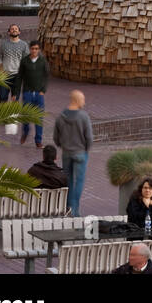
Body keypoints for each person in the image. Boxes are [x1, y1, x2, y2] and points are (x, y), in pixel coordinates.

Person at [53, 89, 93, 217]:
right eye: (83, 100)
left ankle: (69, 207)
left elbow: (56, 137)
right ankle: (75, 210)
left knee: (68, 180)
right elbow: (89, 137)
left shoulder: (60, 117)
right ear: (76, 100)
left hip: (66, 152)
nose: (84, 102)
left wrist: (63, 145)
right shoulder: (83, 116)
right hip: (80, 153)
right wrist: (86, 149)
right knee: (79, 181)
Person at [17, 40, 49, 147]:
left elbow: (46, 76)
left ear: (39, 50)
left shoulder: (43, 61)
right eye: (32, 48)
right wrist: (16, 92)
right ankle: (25, 132)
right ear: (29, 49)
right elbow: (20, 77)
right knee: (26, 116)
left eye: (36, 49)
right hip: (27, 93)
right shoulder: (24, 61)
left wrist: (43, 91)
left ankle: (38, 141)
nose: (34, 51)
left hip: (39, 94)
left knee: (38, 118)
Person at [0, 25, 27, 103]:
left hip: (17, 75)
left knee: (15, 99)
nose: (14, 30)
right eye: (12, 29)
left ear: (19, 32)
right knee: (3, 99)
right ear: (8, 32)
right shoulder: (4, 44)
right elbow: (0, 56)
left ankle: (14, 115)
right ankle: (2, 115)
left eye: (16, 29)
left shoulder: (24, 45)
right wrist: (1, 69)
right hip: (4, 75)